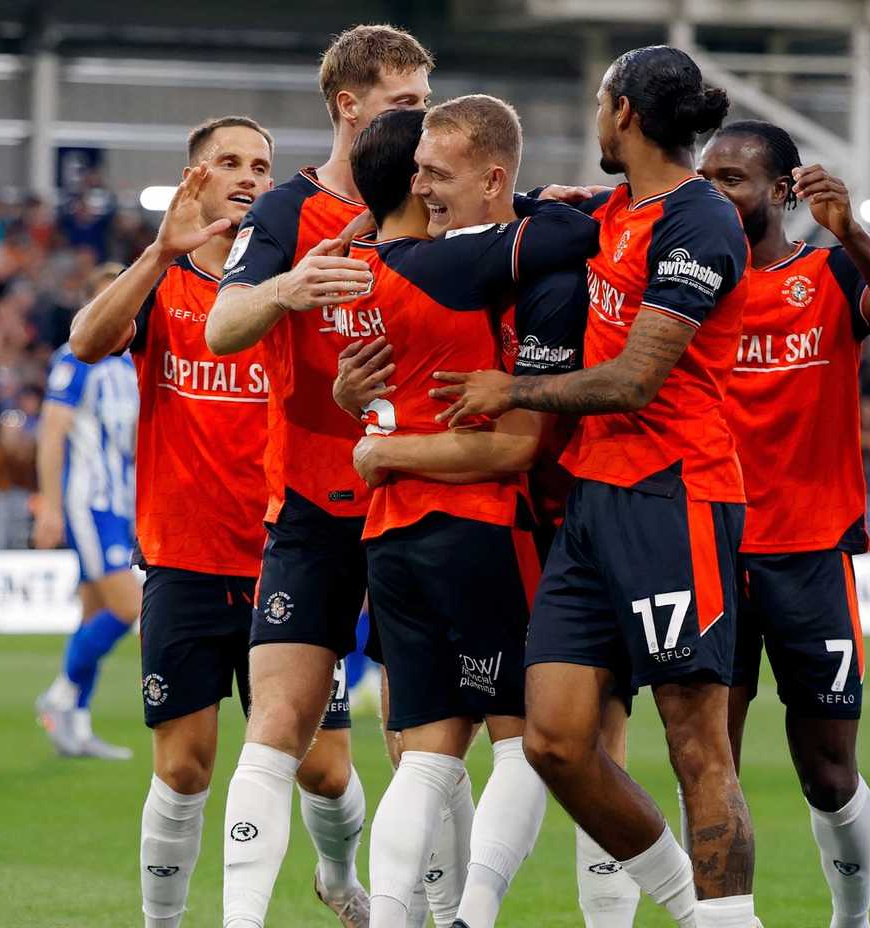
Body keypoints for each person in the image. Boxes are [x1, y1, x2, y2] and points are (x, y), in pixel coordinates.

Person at [430, 45, 757, 925]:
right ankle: (695, 910)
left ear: (627, 115)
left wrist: (516, 390)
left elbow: (636, 379)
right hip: (592, 500)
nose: (594, 117)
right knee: (557, 742)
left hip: (672, 496)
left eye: (601, 101)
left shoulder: (700, 223)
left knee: (697, 742)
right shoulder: (614, 211)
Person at [69, 116, 365, 928]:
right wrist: (160, 251)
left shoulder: (292, 282)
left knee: (327, 771)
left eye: (261, 165)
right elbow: (86, 341)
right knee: (186, 768)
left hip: (288, 554)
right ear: (192, 181)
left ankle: (338, 878)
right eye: (226, 162)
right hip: (186, 559)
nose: (247, 176)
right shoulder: (164, 285)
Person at [338, 102, 598, 928]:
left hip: (390, 536)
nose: (425, 187)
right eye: (418, 173)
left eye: (436, 173)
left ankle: (395, 920)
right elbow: (511, 448)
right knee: (530, 741)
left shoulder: (366, 269)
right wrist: (584, 206)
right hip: (479, 527)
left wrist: (376, 446)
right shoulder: (459, 269)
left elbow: (365, 396)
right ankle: (472, 917)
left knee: (425, 760)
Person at [203, 25, 434, 928]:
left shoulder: (441, 204)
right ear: (350, 107)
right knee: (278, 731)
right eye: (408, 105)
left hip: (423, 500)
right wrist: (287, 290)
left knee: (423, 741)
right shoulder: (284, 215)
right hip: (311, 504)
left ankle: (423, 913)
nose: (425, 120)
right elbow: (224, 327)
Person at [699, 119, 870, 928]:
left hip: (809, 556)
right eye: (707, 177)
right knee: (709, 765)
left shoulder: (829, 276)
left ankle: (852, 917)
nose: (714, 191)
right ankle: (729, 918)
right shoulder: (688, 288)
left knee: (828, 776)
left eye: (731, 178)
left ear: (783, 191)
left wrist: (856, 230)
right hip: (712, 555)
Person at [33, 263, 140, 760]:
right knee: (127, 608)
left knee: (94, 610)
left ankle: (74, 720)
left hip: (119, 501)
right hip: (89, 501)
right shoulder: (76, 358)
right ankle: (60, 692)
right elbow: (53, 432)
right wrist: (49, 505)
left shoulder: (130, 362)